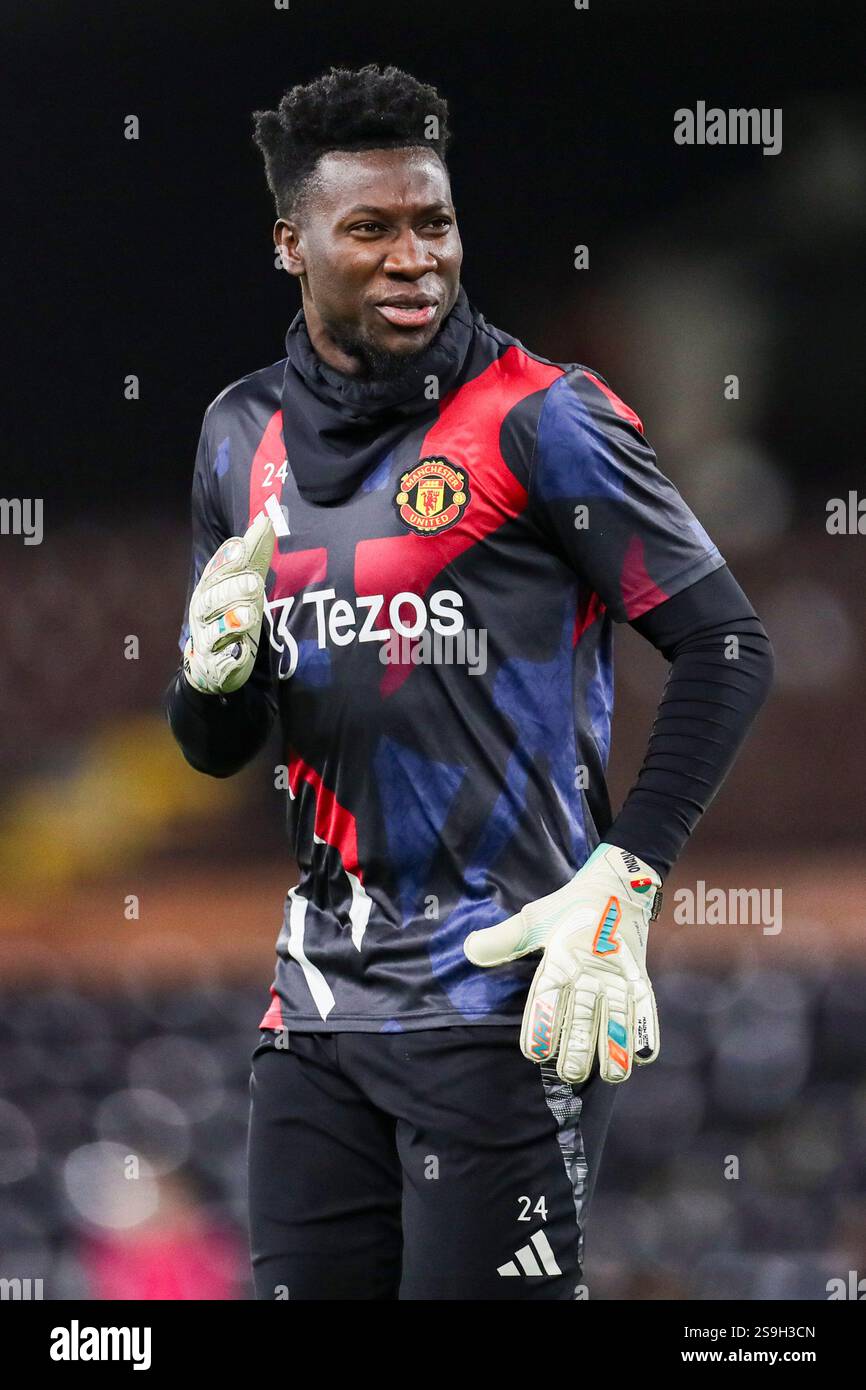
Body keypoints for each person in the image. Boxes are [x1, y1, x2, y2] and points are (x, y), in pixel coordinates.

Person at [165, 63, 774, 1300]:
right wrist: (209, 682)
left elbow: (725, 646)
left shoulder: (541, 418)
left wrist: (628, 877)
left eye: (432, 222)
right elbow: (219, 748)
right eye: (370, 229)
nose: (413, 259)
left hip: (506, 999)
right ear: (291, 243)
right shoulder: (239, 435)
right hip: (318, 1007)